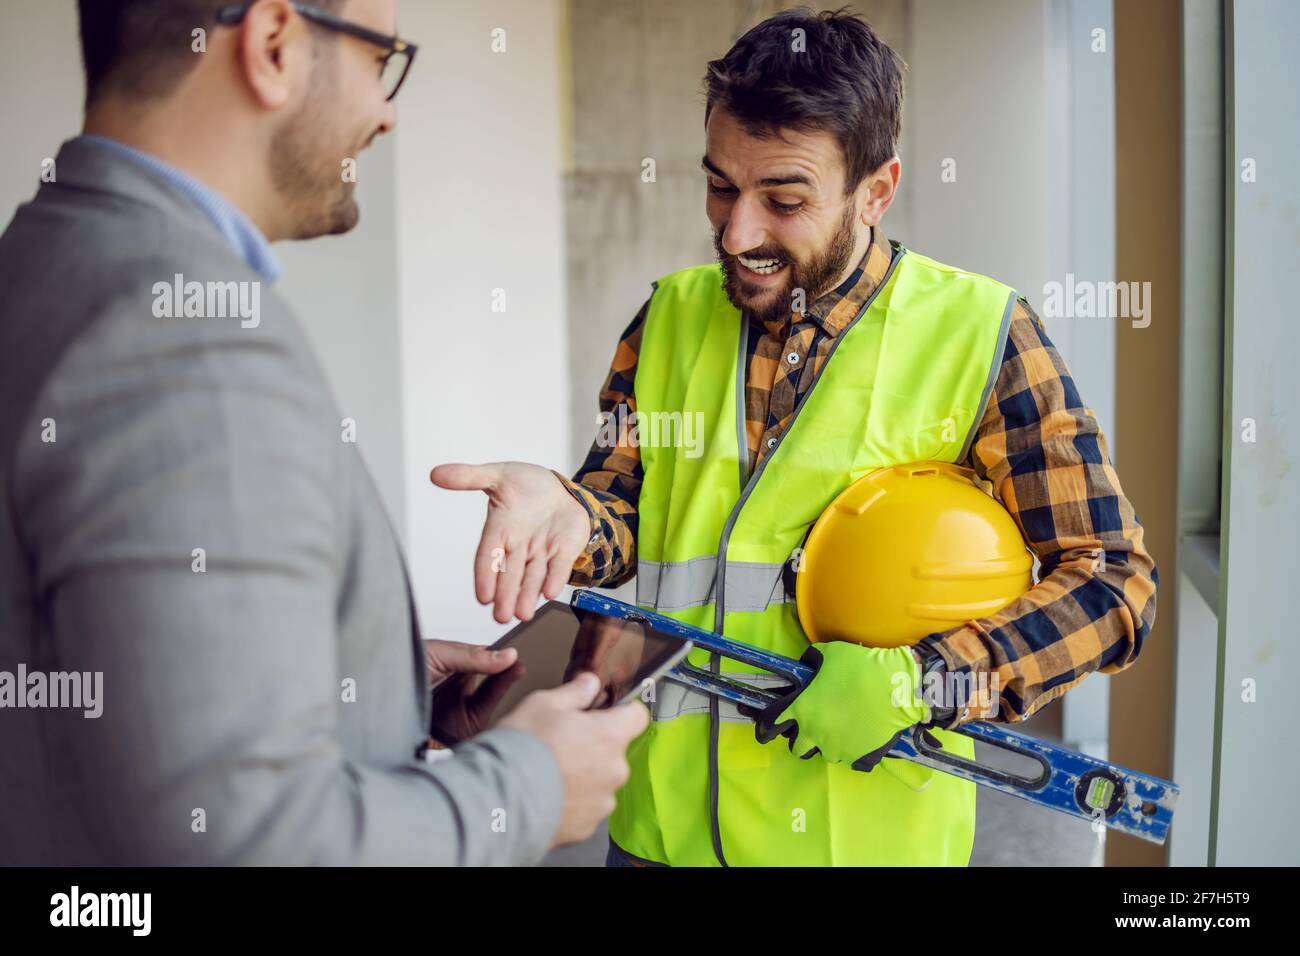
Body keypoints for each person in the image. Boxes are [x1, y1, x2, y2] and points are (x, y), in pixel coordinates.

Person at [433, 8, 1158, 866]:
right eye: (719, 187)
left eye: (783, 199)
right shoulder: (668, 316)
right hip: (656, 837)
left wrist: (923, 681)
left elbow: (1113, 585)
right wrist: (567, 510)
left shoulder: (984, 334)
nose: (738, 233)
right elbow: (624, 513)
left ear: (876, 190)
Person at [0, 0, 647, 866]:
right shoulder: (183, 346)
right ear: (272, 44)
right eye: (382, 58)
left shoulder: (41, 261)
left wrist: (363, 690)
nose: (386, 111)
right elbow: (243, 841)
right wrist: (526, 787)